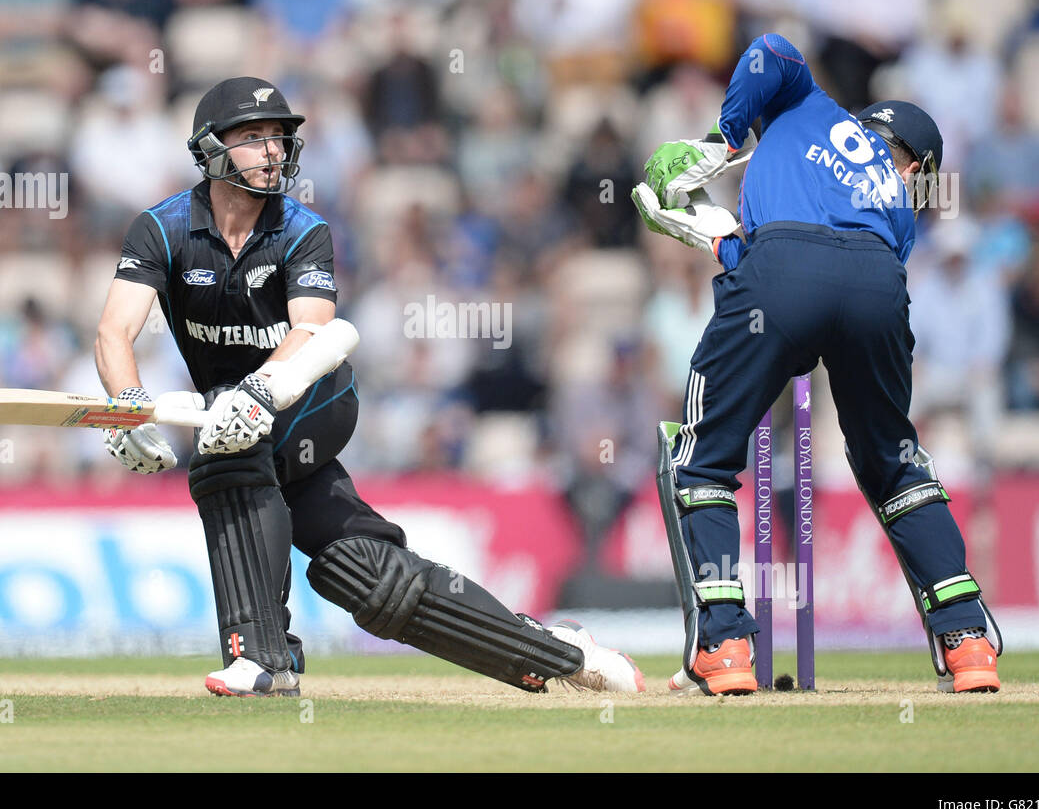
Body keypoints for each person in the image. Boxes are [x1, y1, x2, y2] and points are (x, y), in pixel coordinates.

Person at [94, 76, 644, 697]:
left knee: (227, 443)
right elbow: (115, 333)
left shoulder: (304, 229)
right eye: (254, 138)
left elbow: (314, 330)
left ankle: (264, 662)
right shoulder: (161, 228)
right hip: (239, 418)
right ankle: (553, 650)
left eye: (279, 137)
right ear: (210, 148)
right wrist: (127, 410)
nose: (273, 150)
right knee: (367, 579)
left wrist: (257, 393)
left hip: (313, 400)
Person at [631, 33, 1003, 695]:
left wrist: (719, 147)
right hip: (877, 286)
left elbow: (769, 49)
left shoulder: (808, 106)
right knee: (893, 461)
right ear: (916, 169)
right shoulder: (897, 209)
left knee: (700, 456)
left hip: (778, 273)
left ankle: (724, 647)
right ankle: (967, 639)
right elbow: (831, 262)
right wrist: (730, 243)